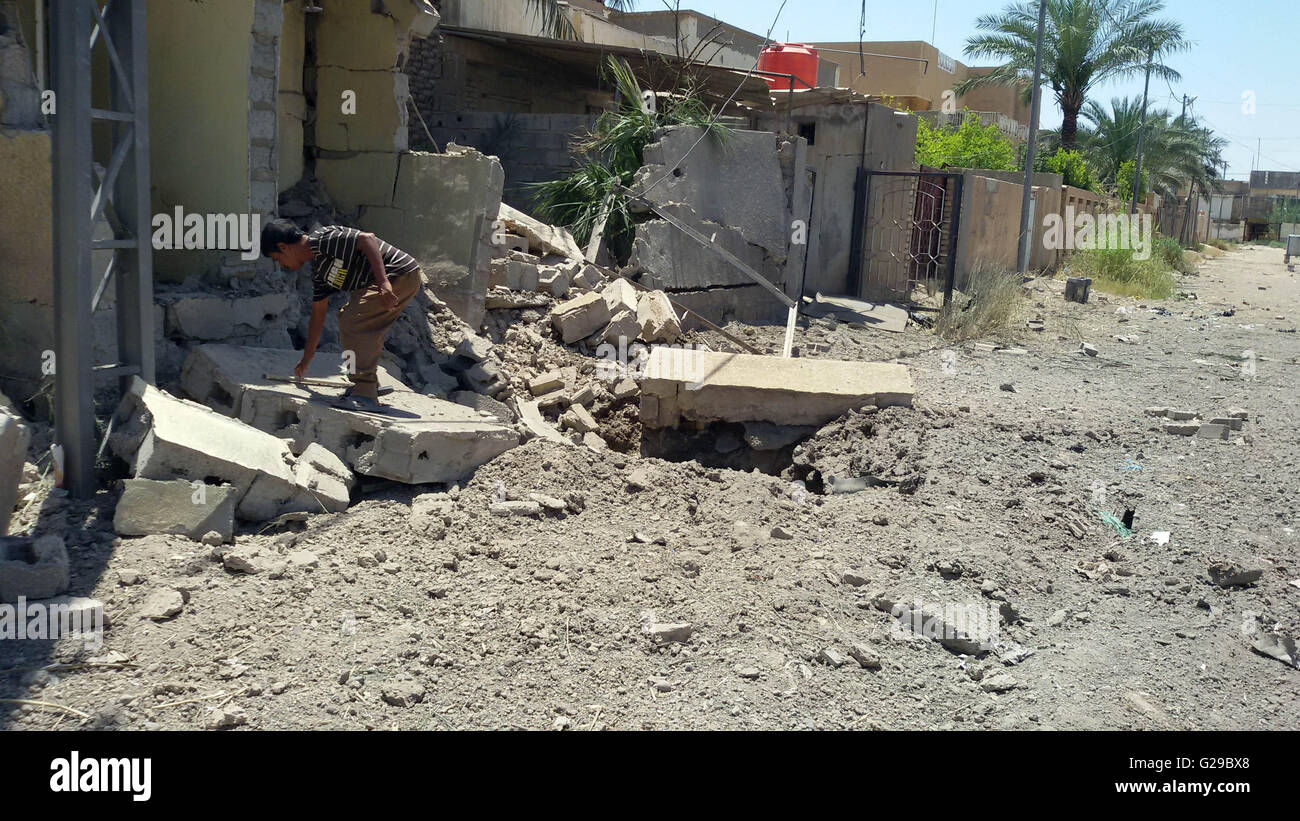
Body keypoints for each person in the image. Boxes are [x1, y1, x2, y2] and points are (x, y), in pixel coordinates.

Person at [261, 218, 421, 408]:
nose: (281, 265)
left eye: (277, 259)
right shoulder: (319, 270)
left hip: (398, 273)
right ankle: (364, 385)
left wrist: (383, 282)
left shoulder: (322, 239)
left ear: (284, 247)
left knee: (353, 323)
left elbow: (367, 239)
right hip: (382, 282)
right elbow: (318, 313)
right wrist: (307, 357)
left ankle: (365, 392)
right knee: (347, 320)